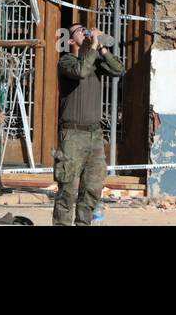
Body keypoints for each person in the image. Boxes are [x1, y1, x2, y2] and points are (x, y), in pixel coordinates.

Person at [54, 24, 123, 227]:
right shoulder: (66, 61)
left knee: (92, 188)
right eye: (79, 31)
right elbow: (81, 71)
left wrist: (101, 48)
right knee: (67, 190)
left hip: (95, 135)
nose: (85, 32)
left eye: (86, 30)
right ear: (70, 41)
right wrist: (92, 48)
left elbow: (119, 69)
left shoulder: (95, 61)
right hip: (72, 135)